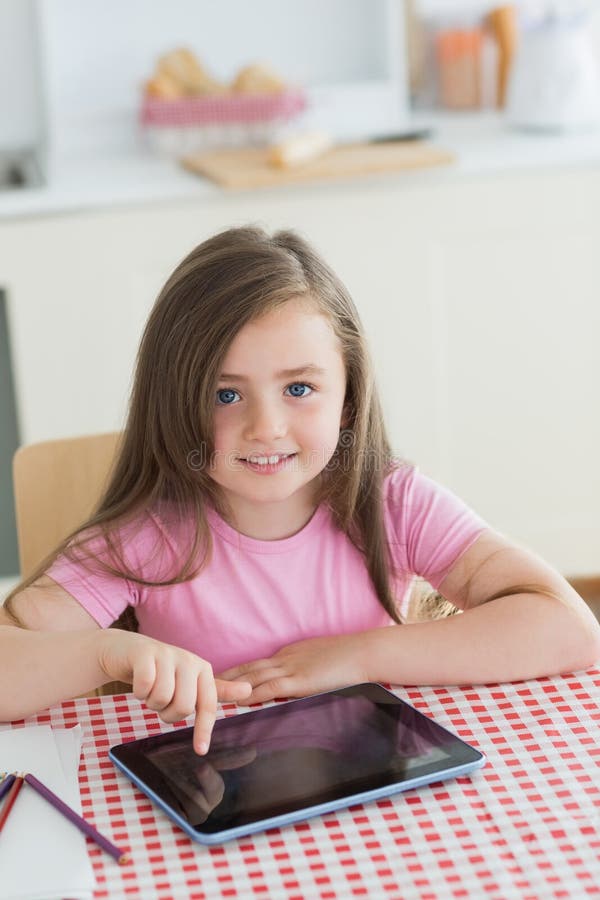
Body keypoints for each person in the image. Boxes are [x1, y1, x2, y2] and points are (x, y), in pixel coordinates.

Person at [1, 226, 598, 756]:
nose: (266, 428)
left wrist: (357, 655)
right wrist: (107, 653)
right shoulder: (148, 537)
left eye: (299, 388)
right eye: (224, 394)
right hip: (221, 802)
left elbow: (569, 629)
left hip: (372, 786)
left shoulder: (394, 504)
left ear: (348, 399)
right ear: (174, 403)